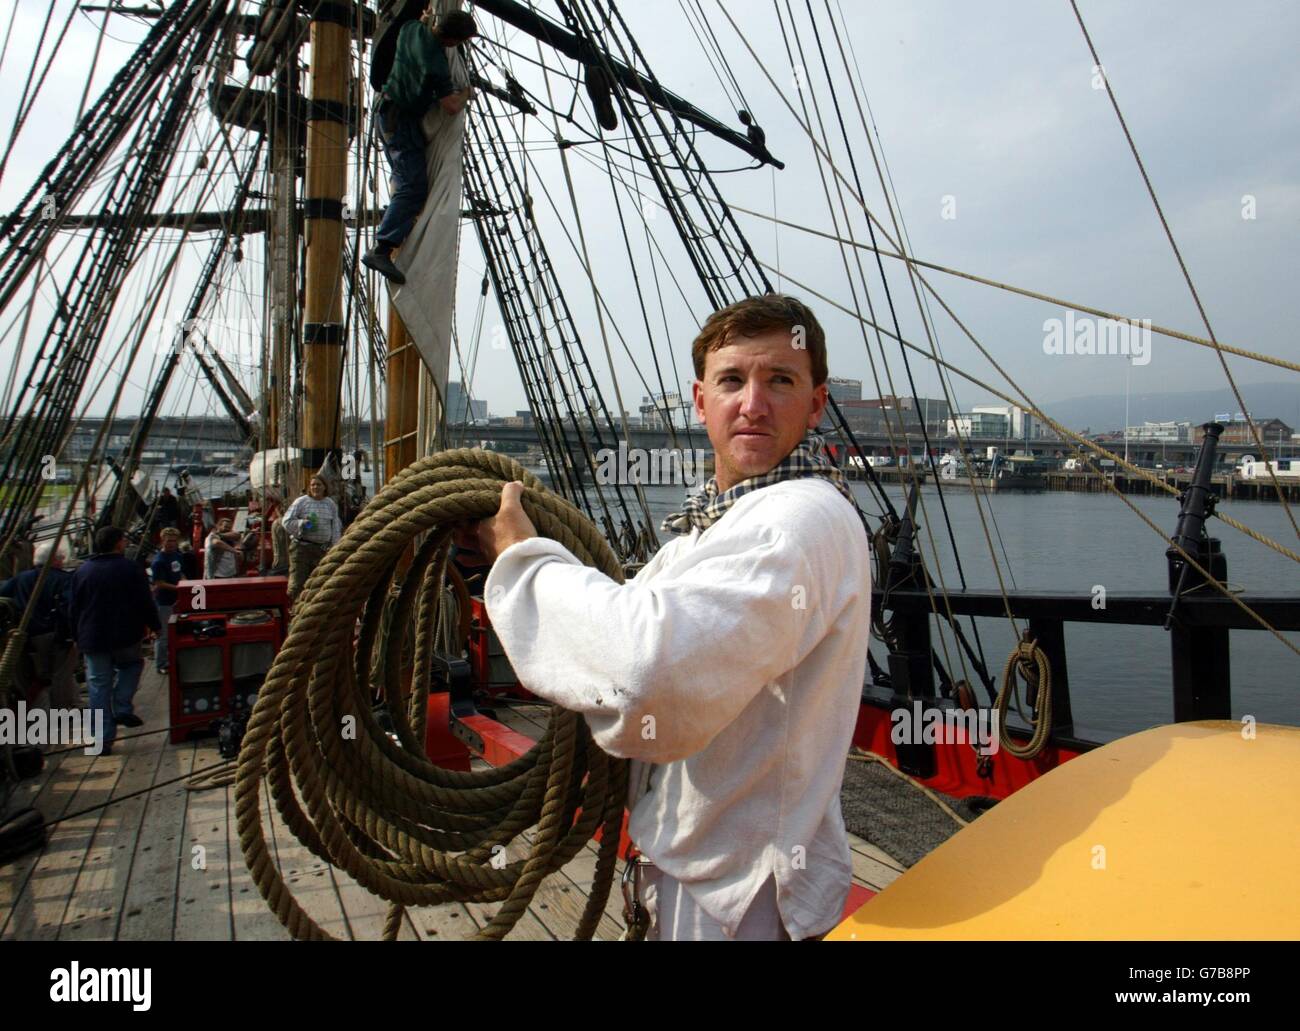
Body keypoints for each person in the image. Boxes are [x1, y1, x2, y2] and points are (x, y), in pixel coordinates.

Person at [474, 294, 872, 941]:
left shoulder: (800, 520)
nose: (753, 403)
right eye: (732, 380)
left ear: (817, 403)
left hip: (741, 902)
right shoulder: (708, 529)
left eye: (780, 380)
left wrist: (519, 558)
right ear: (699, 400)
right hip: (699, 880)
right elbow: (642, 619)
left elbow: (648, 664)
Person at [361, 6, 477, 284]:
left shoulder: (411, 29)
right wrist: (466, 94)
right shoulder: (437, 62)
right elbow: (450, 106)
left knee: (405, 183)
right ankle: (382, 249)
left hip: (386, 114)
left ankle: (395, 235)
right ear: (453, 42)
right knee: (413, 187)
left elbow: (420, 25)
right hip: (399, 123)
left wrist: (424, 18)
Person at [69, 526, 160, 754]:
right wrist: (157, 626)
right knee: (132, 666)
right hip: (126, 635)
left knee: (98, 687)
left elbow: (73, 609)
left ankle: (102, 741)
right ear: (118, 544)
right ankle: (121, 705)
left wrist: (75, 636)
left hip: (93, 638)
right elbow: (145, 602)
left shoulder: (83, 572)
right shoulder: (130, 569)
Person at [0, 540, 77, 712]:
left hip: (29, 636)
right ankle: (62, 711)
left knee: (41, 674)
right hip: (57, 634)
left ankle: (42, 709)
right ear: (55, 560)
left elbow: (3, 594)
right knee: (61, 673)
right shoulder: (64, 579)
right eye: (61, 558)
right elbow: (70, 607)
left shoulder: (21, 579)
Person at [280, 474, 342, 600]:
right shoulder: (301, 501)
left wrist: (334, 547)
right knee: (297, 583)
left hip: (321, 550)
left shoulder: (330, 504)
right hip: (301, 549)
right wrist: (301, 523)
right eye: (313, 484)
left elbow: (335, 526)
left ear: (324, 487)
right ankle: (295, 610)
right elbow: (286, 521)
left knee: (319, 583)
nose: (315, 487)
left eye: (318, 484)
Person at [148, 527, 186, 674]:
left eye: (174, 541)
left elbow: (180, 572)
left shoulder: (177, 556)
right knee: (163, 635)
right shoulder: (158, 561)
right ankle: (161, 664)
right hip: (164, 601)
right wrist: (179, 588)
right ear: (162, 541)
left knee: (177, 631)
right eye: (169, 541)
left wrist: (184, 581)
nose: (172, 544)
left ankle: (173, 658)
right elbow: (158, 583)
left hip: (177, 599)